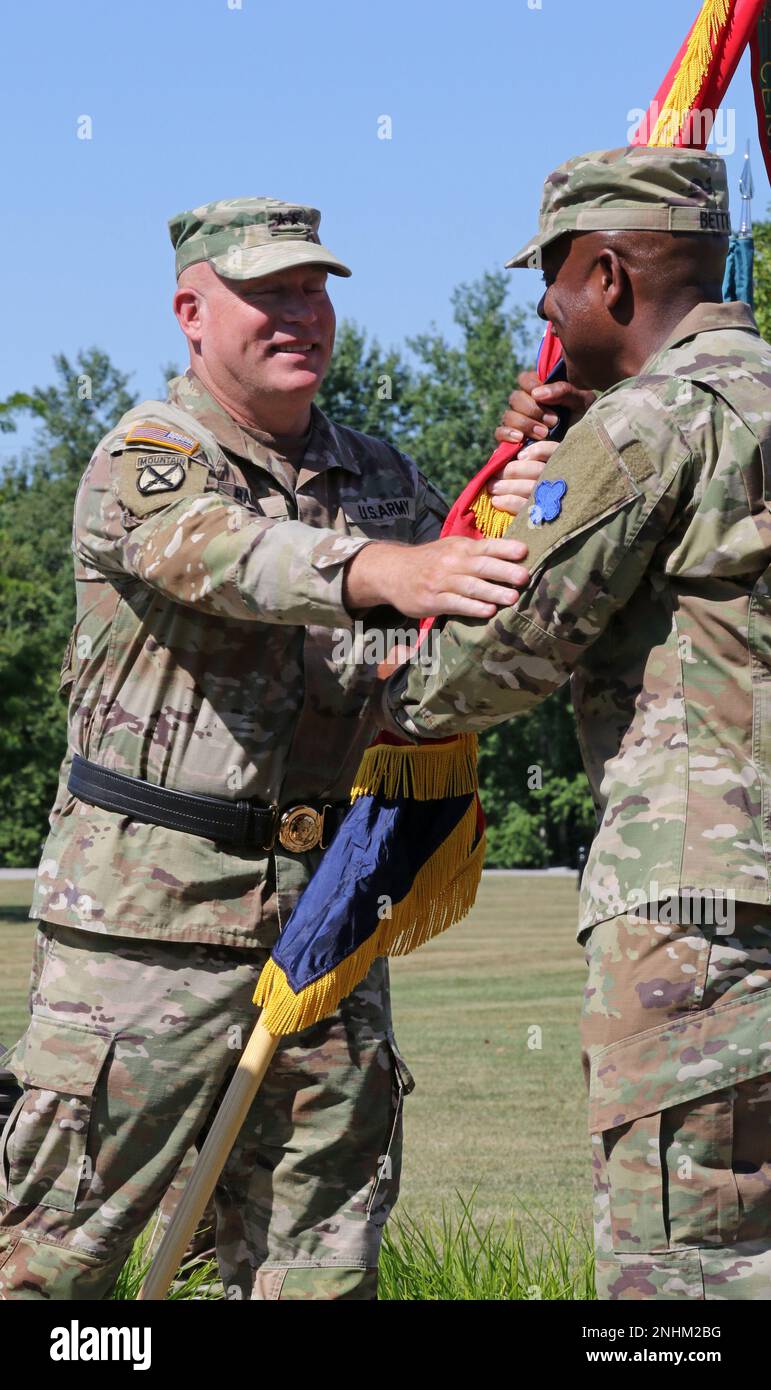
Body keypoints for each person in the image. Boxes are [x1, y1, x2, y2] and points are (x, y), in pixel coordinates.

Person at [0, 197, 536, 1301]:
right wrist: (396, 570)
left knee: (320, 1260)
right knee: (53, 1261)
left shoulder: (382, 476)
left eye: (316, 289)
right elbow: (239, 560)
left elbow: (434, 657)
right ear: (192, 311)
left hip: (328, 917)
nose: (303, 313)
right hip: (144, 937)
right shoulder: (147, 458)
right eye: (270, 293)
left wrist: (532, 504)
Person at [384, 146, 771, 1300]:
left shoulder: (647, 426)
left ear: (607, 276)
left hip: (700, 910)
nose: (548, 313)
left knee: (687, 1277)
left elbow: (495, 661)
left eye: (551, 281)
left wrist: (386, 696)